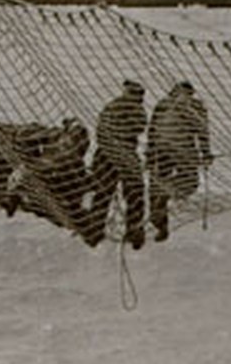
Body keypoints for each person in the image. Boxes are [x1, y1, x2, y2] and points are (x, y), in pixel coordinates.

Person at [83, 79, 148, 249]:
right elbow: (140, 126)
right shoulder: (136, 109)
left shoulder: (111, 106)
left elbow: (100, 130)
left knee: (102, 195)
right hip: (125, 155)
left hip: (105, 156)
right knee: (135, 194)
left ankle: (93, 232)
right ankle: (134, 232)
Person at [146, 81, 213, 242]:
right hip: (182, 150)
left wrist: (150, 154)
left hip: (162, 150)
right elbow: (202, 131)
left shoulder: (163, 104)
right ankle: (167, 195)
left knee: (157, 186)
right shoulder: (195, 106)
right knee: (189, 182)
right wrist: (206, 153)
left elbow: (152, 131)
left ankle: (160, 225)